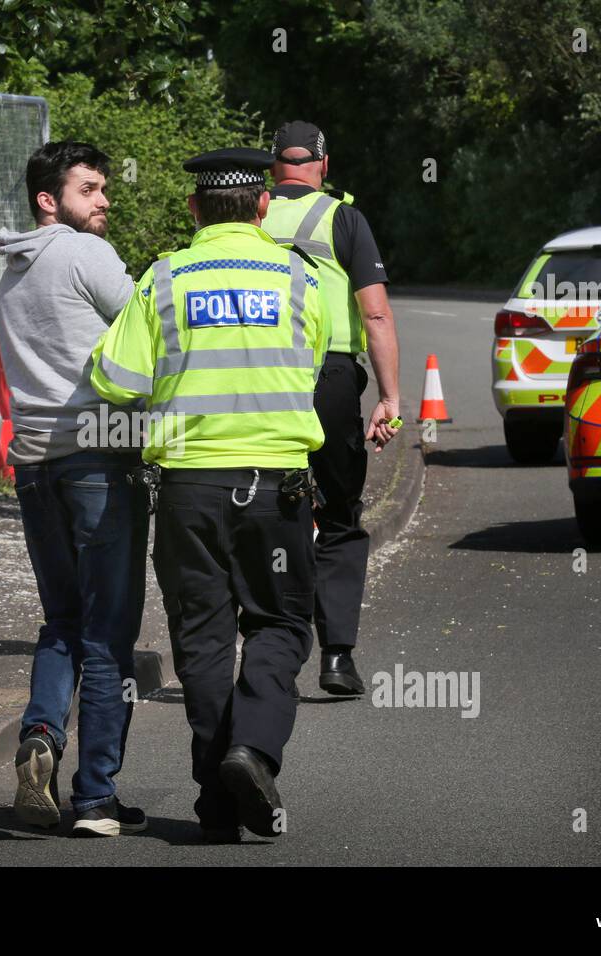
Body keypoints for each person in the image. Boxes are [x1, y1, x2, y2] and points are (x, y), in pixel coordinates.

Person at [90, 147, 329, 843]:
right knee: (281, 624)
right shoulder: (299, 277)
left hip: (192, 487)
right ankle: (251, 751)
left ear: (194, 209)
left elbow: (117, 380)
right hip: (278, 486)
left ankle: (217, 805)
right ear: (262, 207)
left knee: (202, 638)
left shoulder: (164, 278)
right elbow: (309, 362)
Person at [0, 141, 149, 837]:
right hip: (98, 460)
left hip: (33, 465)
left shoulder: (14, 271)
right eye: (90, 188)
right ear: (48, 200)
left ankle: (40, 739)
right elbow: (150, 327)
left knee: (61, 620)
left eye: (104, 187)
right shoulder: (84, 254)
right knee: (109, 633)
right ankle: (95, 799)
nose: (105, 199)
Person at [260, 120, 401, 696]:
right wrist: (390, 397)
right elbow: (375, 315)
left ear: (274, 167)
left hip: (263, 376)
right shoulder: (344, 217)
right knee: (339, 517)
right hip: (332, 381)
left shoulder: (250, 213)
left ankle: (272, 657)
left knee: (271, 513)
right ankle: (337, 658)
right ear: (323, 164)